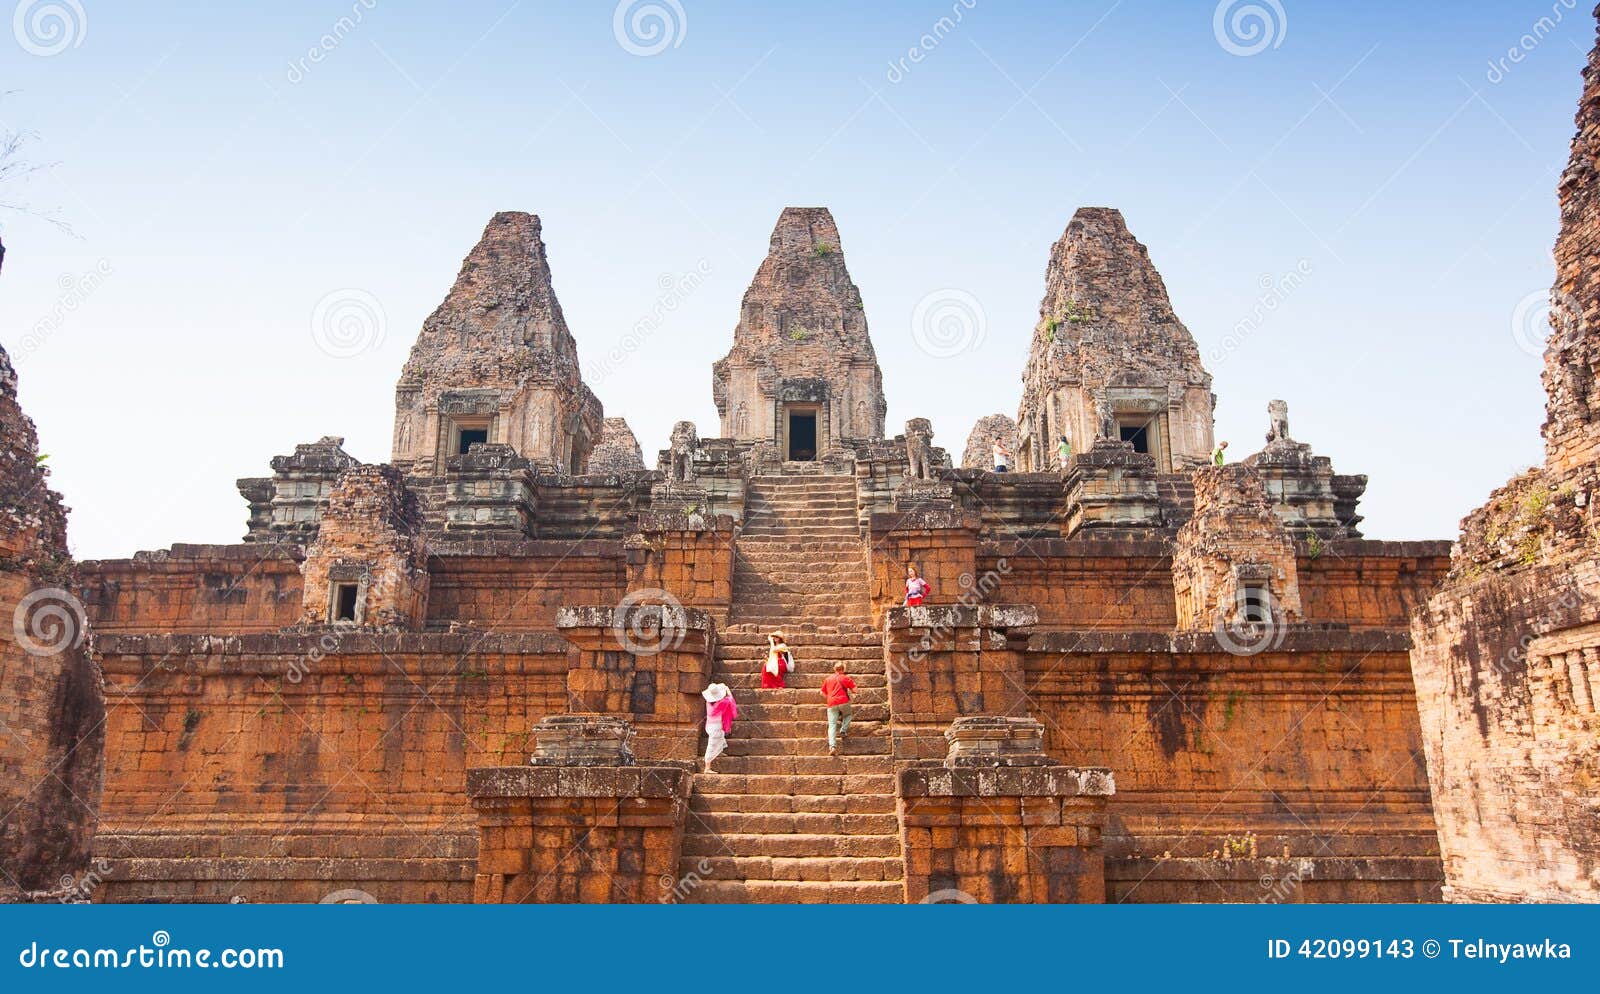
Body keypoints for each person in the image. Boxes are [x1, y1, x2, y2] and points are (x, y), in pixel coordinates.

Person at [821, 662, 856, 757]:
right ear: (843, 669)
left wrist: (829, 697)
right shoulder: (846, 678)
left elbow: (822, 693)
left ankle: (832, 746)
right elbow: (855, 690)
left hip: (831, 702)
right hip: (844, 701)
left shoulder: (828, 679)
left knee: (832, 725)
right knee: (848, 715)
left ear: (834, 669)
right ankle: (843, 730)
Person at [701, 682, 737, 774]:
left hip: (709, 725)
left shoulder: (708, 702)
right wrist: (728, 690)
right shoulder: (722, 703)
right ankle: (707, 767)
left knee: (720, 737)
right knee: (712, 745)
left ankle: (719, 751)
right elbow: (731, 700)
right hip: (715, 727)